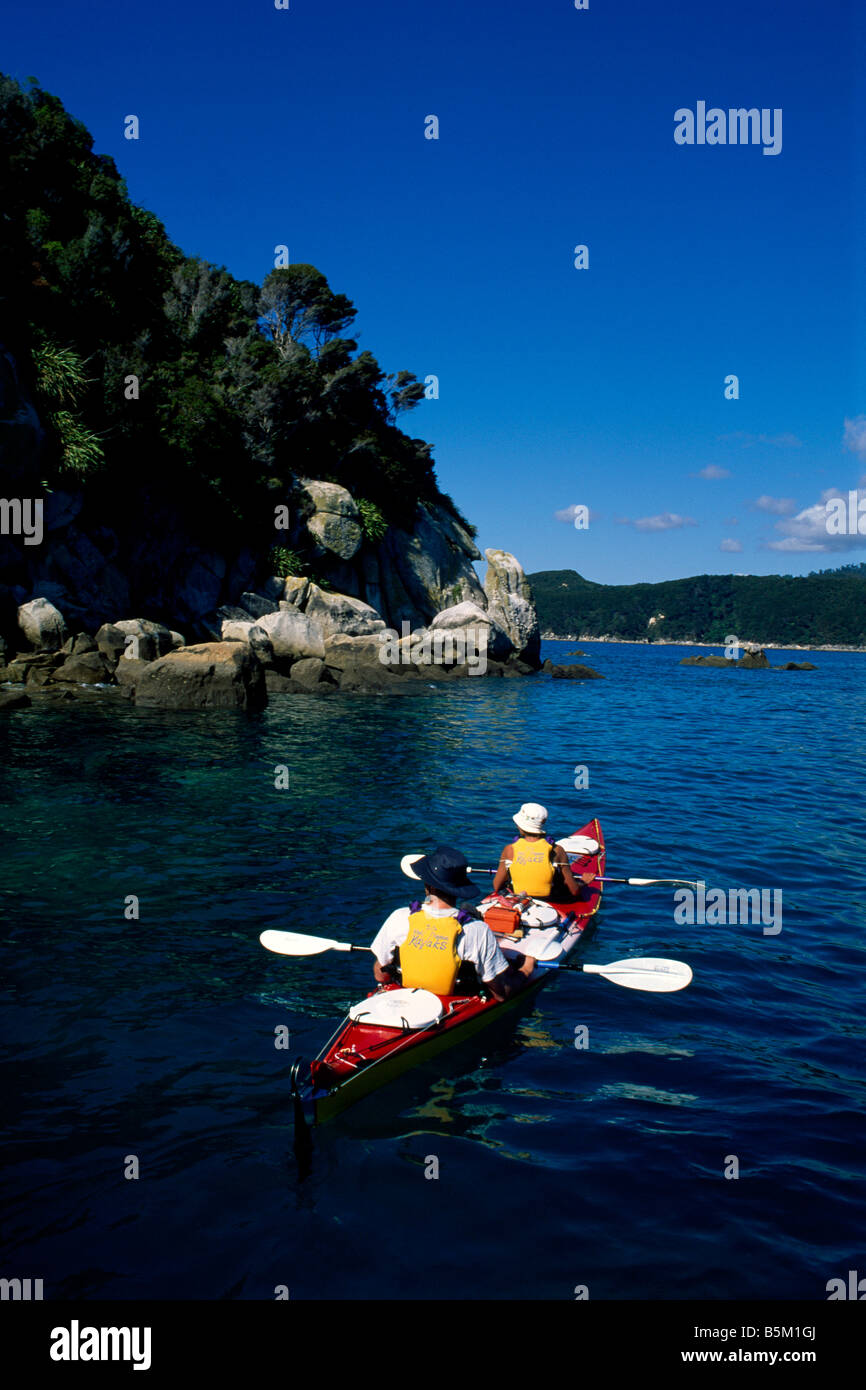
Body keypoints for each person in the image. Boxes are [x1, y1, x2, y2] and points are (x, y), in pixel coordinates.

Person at [370, 846, 537, 1000]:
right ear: (458, 888)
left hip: (407, 998)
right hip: (454, 1002)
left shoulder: (399, 917)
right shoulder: (477, 930)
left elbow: (380, 975)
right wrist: (527, 968)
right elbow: (502, 993)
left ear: (428, 884)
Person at [492, 802, 594, 901]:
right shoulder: (557, 851)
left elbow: (497, 886)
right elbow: (574, 890)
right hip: (551, 899)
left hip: (518, 897)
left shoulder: (509, 849)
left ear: (520, 826)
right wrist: (583, 882)